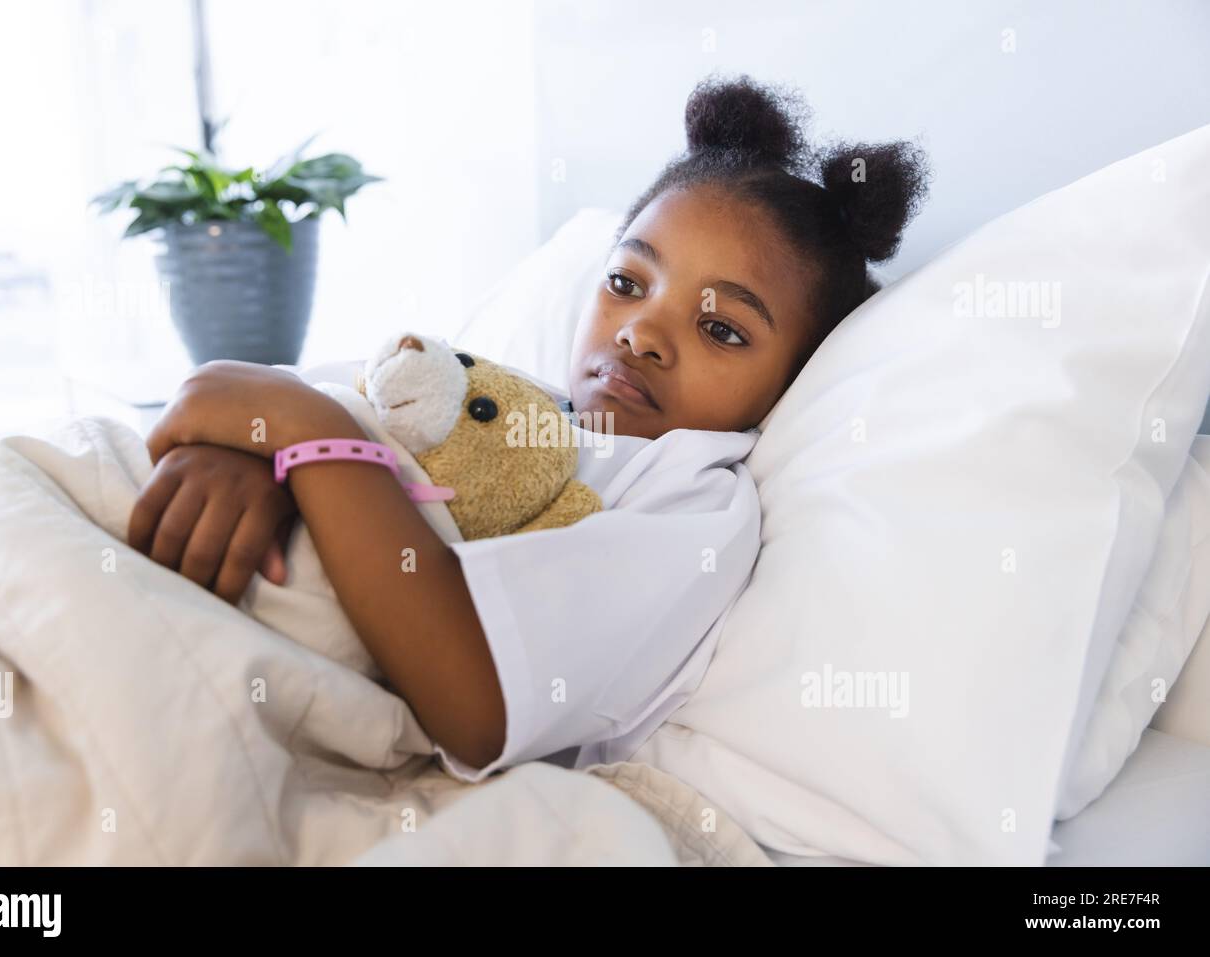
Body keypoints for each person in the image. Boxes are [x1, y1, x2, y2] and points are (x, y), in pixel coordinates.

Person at [126, 72, 930, 782]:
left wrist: (310, 435)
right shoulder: (509, 394)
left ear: (791, 386)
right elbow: (245, 408)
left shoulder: (693, 502)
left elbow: (473, 700)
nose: (641, 332)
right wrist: (251, 462)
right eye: (626, 280)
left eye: (722, 330)